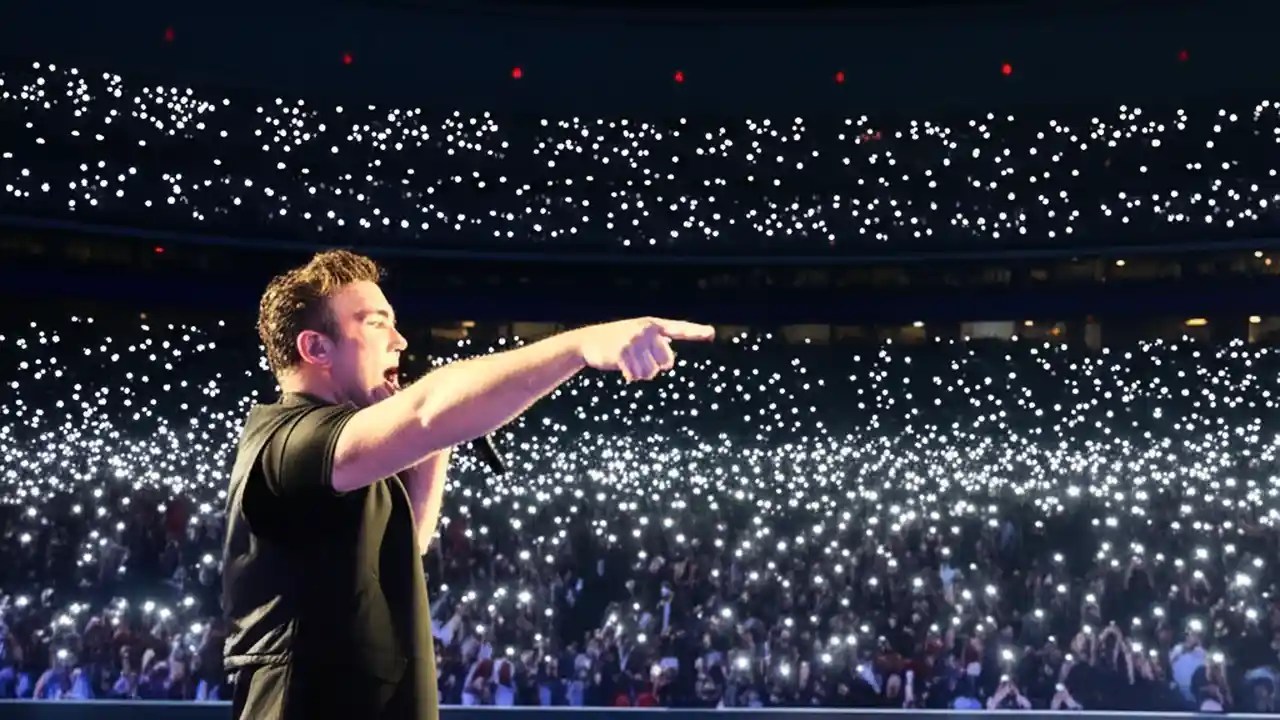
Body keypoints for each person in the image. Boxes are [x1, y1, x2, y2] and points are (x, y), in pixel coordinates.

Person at [221, 249, 714, 720]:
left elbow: (402, 546)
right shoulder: (289, 443)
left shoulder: (348, 468)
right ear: (316, 347)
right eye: (376, 323)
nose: (400, 340)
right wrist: (581, 346)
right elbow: (425, 410)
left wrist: (442, 439)